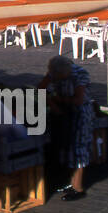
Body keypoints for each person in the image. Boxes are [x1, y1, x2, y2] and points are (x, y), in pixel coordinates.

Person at [38, 55, 94, 201]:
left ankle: (78, 188)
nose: (57, 80)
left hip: (80, 114)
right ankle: (70, 182)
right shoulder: (54, 72)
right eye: (55, 77)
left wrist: (58, 99)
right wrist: (52, 104)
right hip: (64, 113)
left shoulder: (80, 75)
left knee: (78, 149)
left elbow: (79, 100)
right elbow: (41, 88)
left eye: (60, 77)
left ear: (65, 72)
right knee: (67, 148)